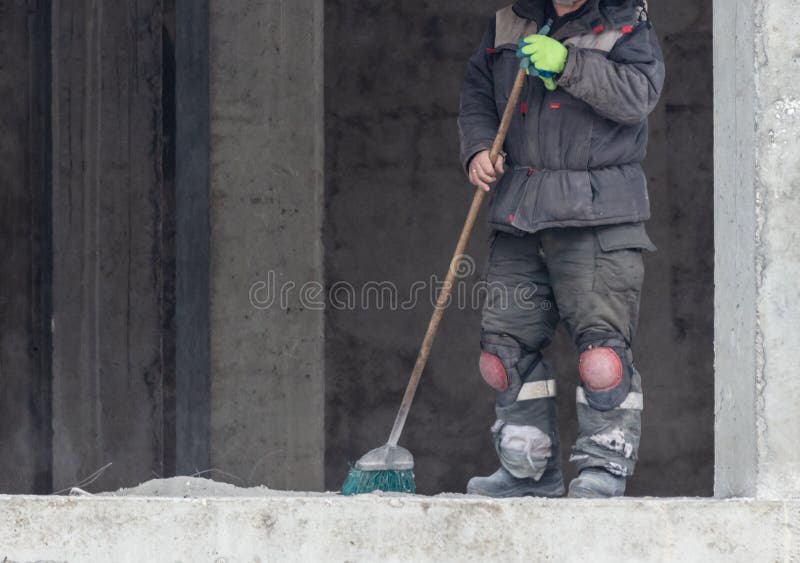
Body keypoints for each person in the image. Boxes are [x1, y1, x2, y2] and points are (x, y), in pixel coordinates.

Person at [458, 0, 664, 498]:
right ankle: (528, 472)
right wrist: (479, 149)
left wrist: (569, 65)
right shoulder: (508, 21)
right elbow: (477, 94)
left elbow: (638, 96)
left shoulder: (626, 23)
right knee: (503, 354)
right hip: (520, 210)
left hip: (597, 212)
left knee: (601, 357)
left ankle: (602, 470)